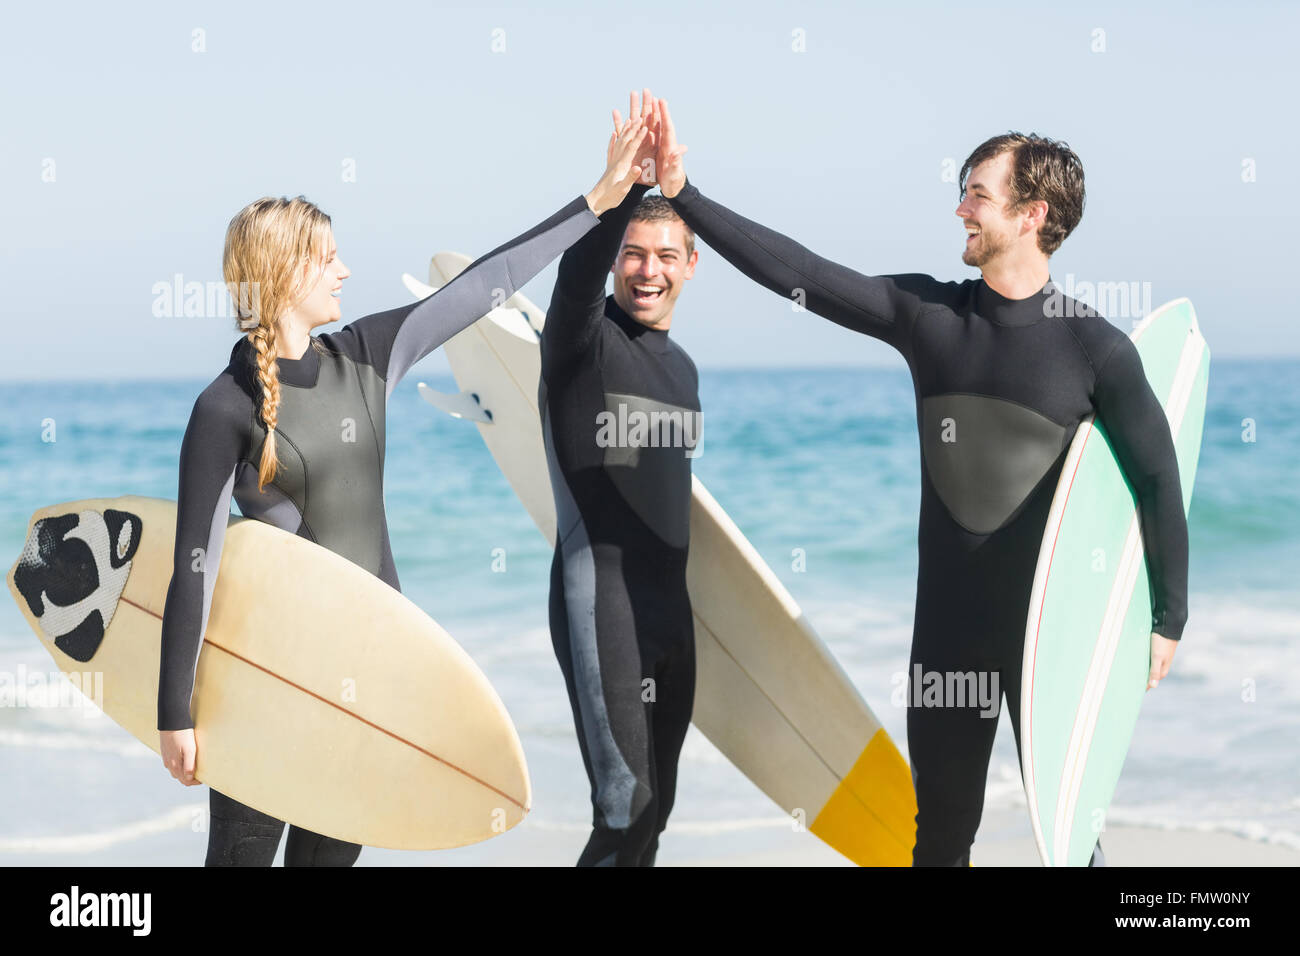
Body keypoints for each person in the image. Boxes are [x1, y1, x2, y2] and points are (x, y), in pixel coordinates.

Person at [652, 101, 1188, 867]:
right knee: (938, 843)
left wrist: (1167, 617)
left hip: (1049, 637)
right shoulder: (930, 317)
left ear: (1031, 214)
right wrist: (685, 194)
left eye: (977, 193)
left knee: (1072, 840)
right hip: (950, 637)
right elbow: (803, 275)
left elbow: (1158, 480)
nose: (960, 207)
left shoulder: (1093, 349)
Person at [156, 113, 653, 866]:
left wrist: (598, 201)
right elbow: (195, 566)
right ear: (285, 272)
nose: (344, 271)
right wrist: (176, 713)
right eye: (328, 258)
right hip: (270, 683)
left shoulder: (366, 358)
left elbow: (485, 285)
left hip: (369, 678)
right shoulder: (224, 408)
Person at [541, 90, 702, 866]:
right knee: (622, 809)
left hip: (672, 614)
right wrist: (614, 190)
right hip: (598, 598)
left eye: (667, 255)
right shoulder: (582, 341)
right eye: (633, 253)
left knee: (655, 814)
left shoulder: (685, 369)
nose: (648, 271)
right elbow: (574, 280)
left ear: (691, 266)